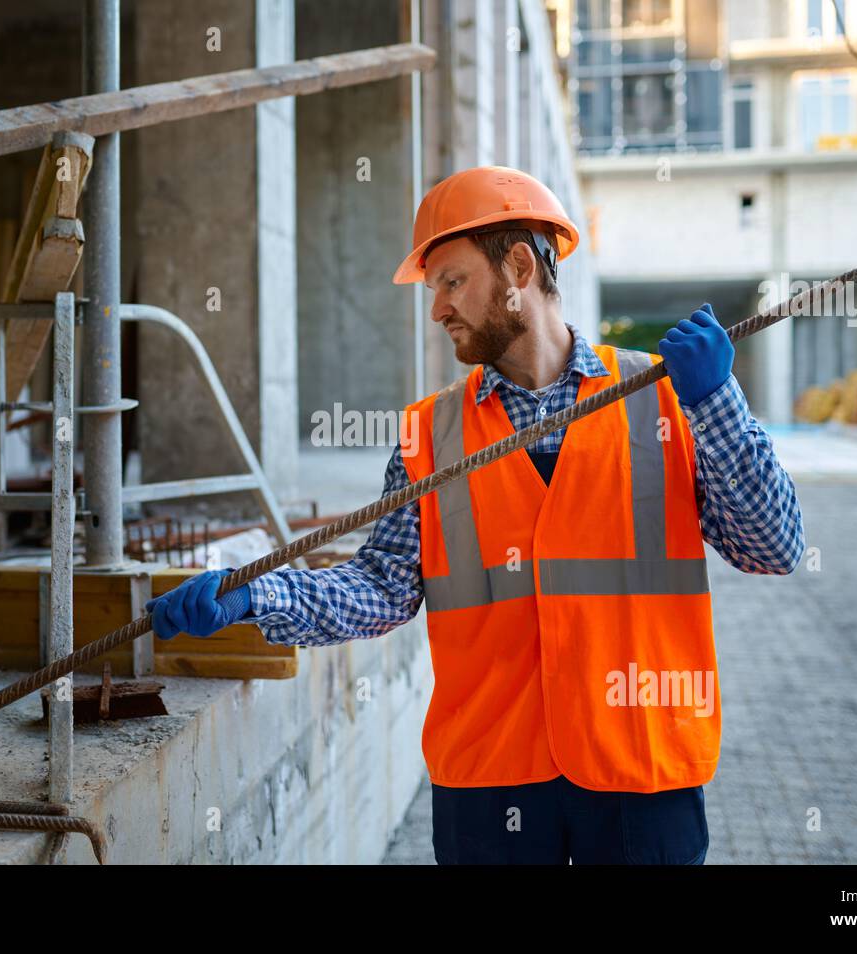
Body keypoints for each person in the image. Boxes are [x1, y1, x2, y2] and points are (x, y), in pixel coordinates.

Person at [146, 166, 805, 865]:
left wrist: (719, 404)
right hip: (492, 783)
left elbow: (775, 545)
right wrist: (255, 595)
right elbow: (381, 588)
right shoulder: (430, 434)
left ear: (519, 266)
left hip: (640, 770)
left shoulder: (667, 399)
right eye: (434, 289)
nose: (437, 309)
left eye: (452, 282)